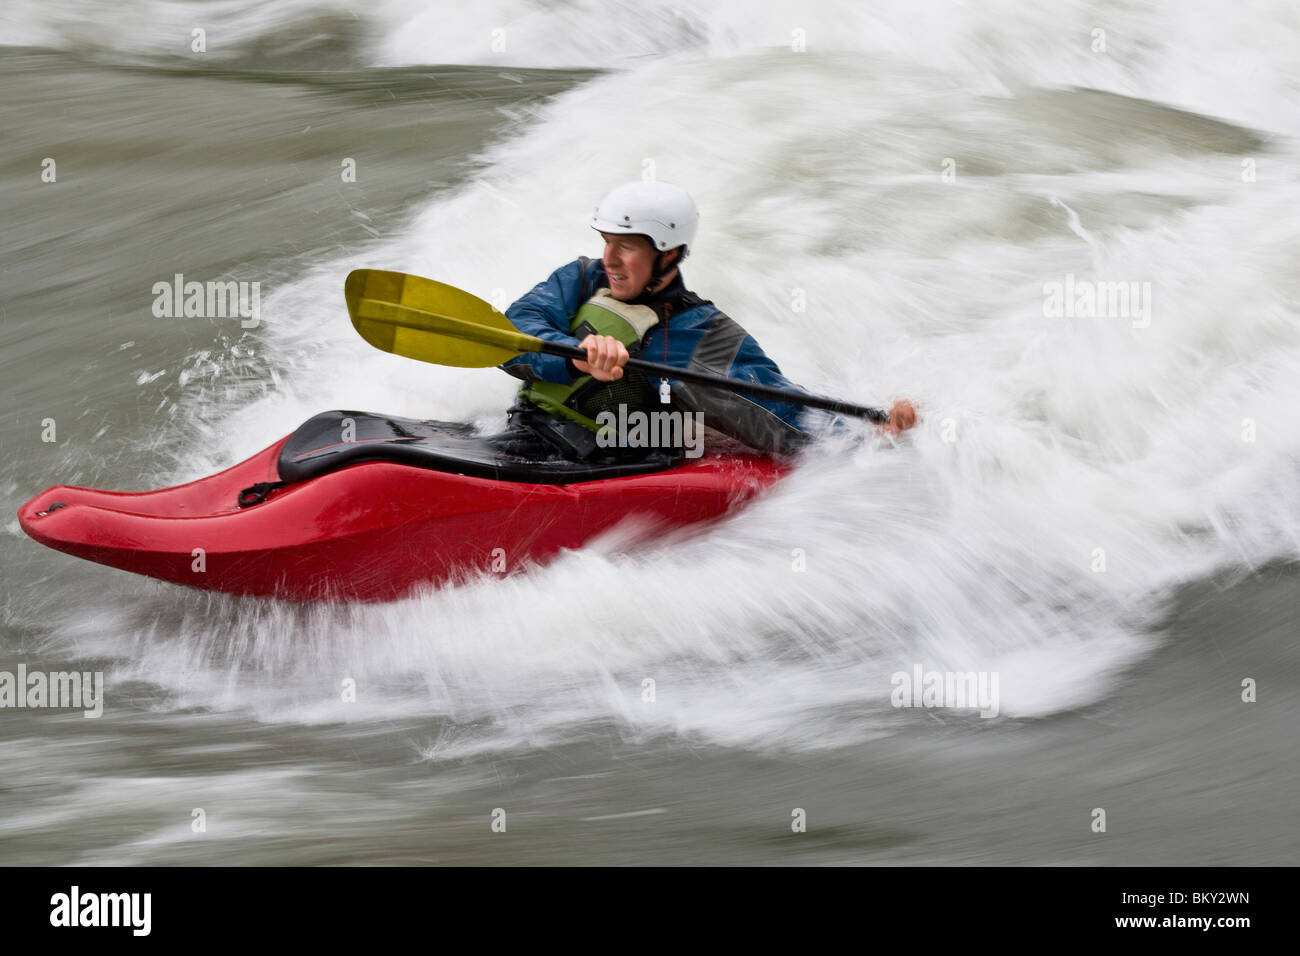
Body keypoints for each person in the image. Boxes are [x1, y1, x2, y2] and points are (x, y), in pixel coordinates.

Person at [494, 181, 916, 461]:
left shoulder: (706, 335)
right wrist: (575, 358)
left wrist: (867, 436)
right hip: (525, 431)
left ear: (669, 253)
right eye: (607, 243)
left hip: (603, 458)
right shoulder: (582, 278)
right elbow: (510, 334)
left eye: (626, 247)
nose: (610, 258)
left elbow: (778, 407)